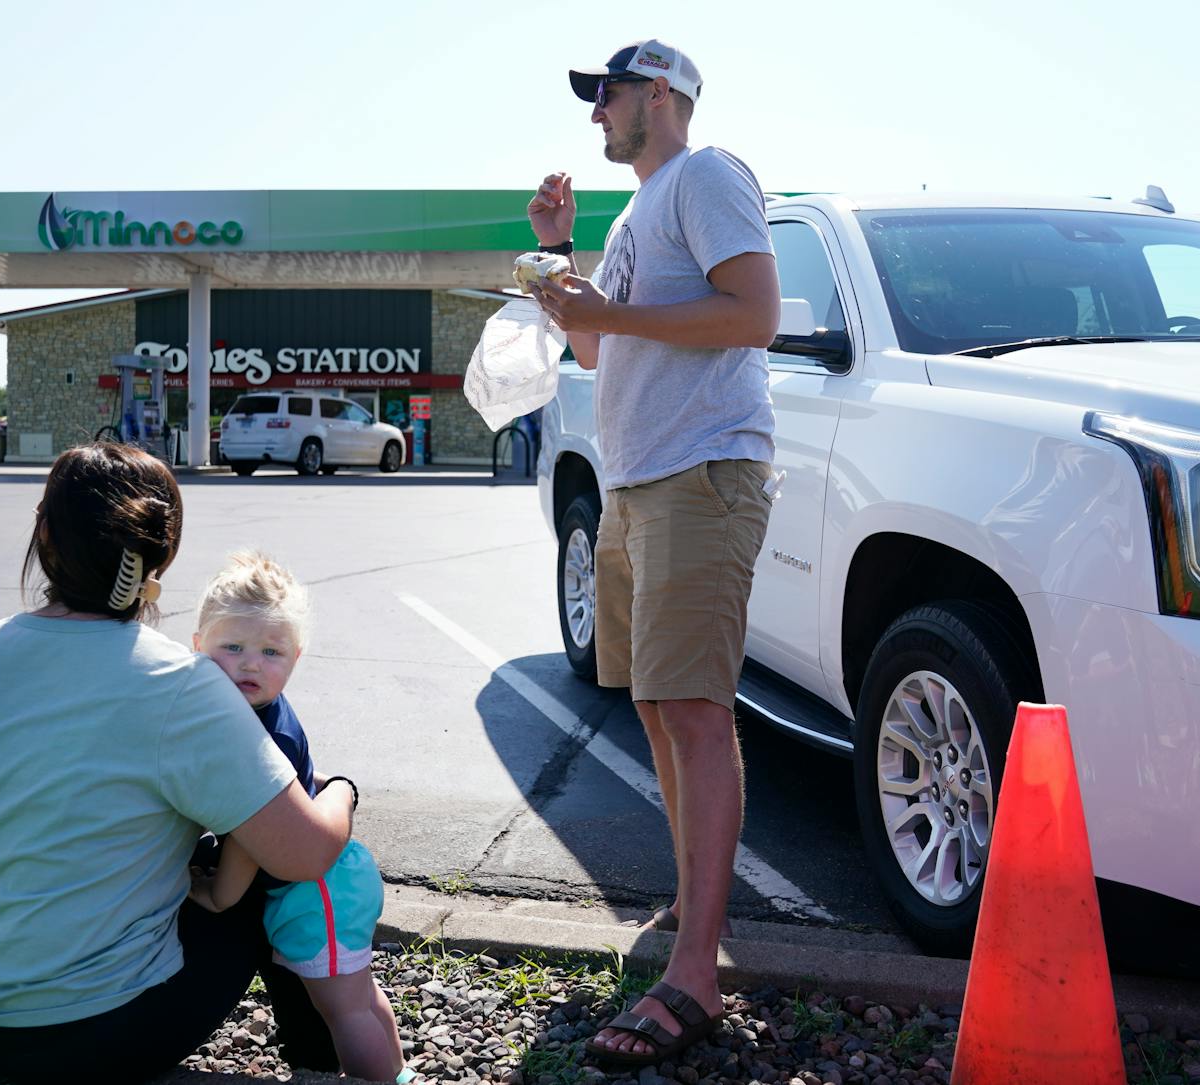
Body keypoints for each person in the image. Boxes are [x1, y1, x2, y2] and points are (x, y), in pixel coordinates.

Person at [0, 443, 356, 1083]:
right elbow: (304, 854)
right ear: (160, 556)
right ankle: (319, 1060)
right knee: (266, 876)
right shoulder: (182, 685)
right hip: (90, 1036)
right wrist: (341, 791)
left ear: (45, 533)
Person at [525, 38, 780, 1067]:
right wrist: (565, 257)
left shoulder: (707, 176)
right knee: (658, 704)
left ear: (662, 94)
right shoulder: (639, 209)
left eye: (611, 94)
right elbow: (600, 345)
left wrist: (609, 306)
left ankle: (698, 972)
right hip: (638, 480)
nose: (597, 114)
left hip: (701, 470)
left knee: (692, 707)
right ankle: (693, 903)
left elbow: (753, 314)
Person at [187, 551, 409, 1084]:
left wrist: (220, 895)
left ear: (296, 657)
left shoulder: (261, 734)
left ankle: (377, 1079)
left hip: (317, 888)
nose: (251, 664)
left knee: (346, 1008)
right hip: (329, 882)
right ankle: (396, 1073)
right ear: (197, 646)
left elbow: (250, 835)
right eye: (232, 647)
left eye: (271, 652)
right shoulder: (249, 711)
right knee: (357, 993)